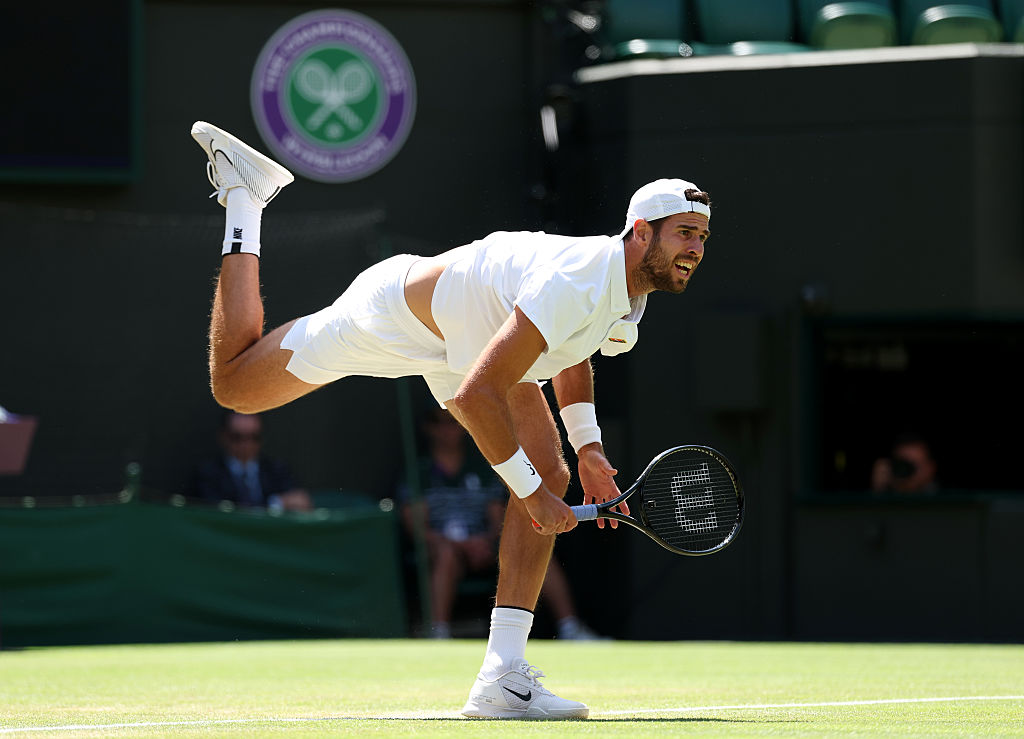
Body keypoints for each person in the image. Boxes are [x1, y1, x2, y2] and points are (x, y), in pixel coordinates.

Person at [190, 121, 710, 719]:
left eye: (702, 236)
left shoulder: (625, 299)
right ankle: (244, 200)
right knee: (236, 386)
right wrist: (531, 496)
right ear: (641, 233)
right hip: (394, 316)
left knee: (554, 471)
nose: (695, 247)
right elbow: (473, 395)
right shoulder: (577, 279)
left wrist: (588, 448)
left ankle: (502, 677)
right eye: (684, 233)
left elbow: (570, 352)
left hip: (468, 336)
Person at [400, 407, 605, 641]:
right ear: (428, 428)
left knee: (538, 550)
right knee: (446, 555)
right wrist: (457, 545)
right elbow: (415, 526)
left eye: (453, 422)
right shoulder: (418, 472)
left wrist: (485, 541)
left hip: (485, 545)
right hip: (442, 549)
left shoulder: (484, 466)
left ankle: (570, 628)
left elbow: (498, 517)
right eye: (440, 422)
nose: (449, 430)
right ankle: (438, 634)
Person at [187, 410, 313, 512]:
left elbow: (300, 502)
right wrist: (275, 504)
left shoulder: (276, 470)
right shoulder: (208, 474)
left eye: (254, 437)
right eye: (237, 438)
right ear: (224, 437)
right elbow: (220, 512)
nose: (246, 445)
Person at [870, 432, 939, 496]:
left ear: (931, 468)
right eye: (903, 464)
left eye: (915, 465)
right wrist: (879, 492)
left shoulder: (942, 500)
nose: (908, 470)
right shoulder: (883, 498)